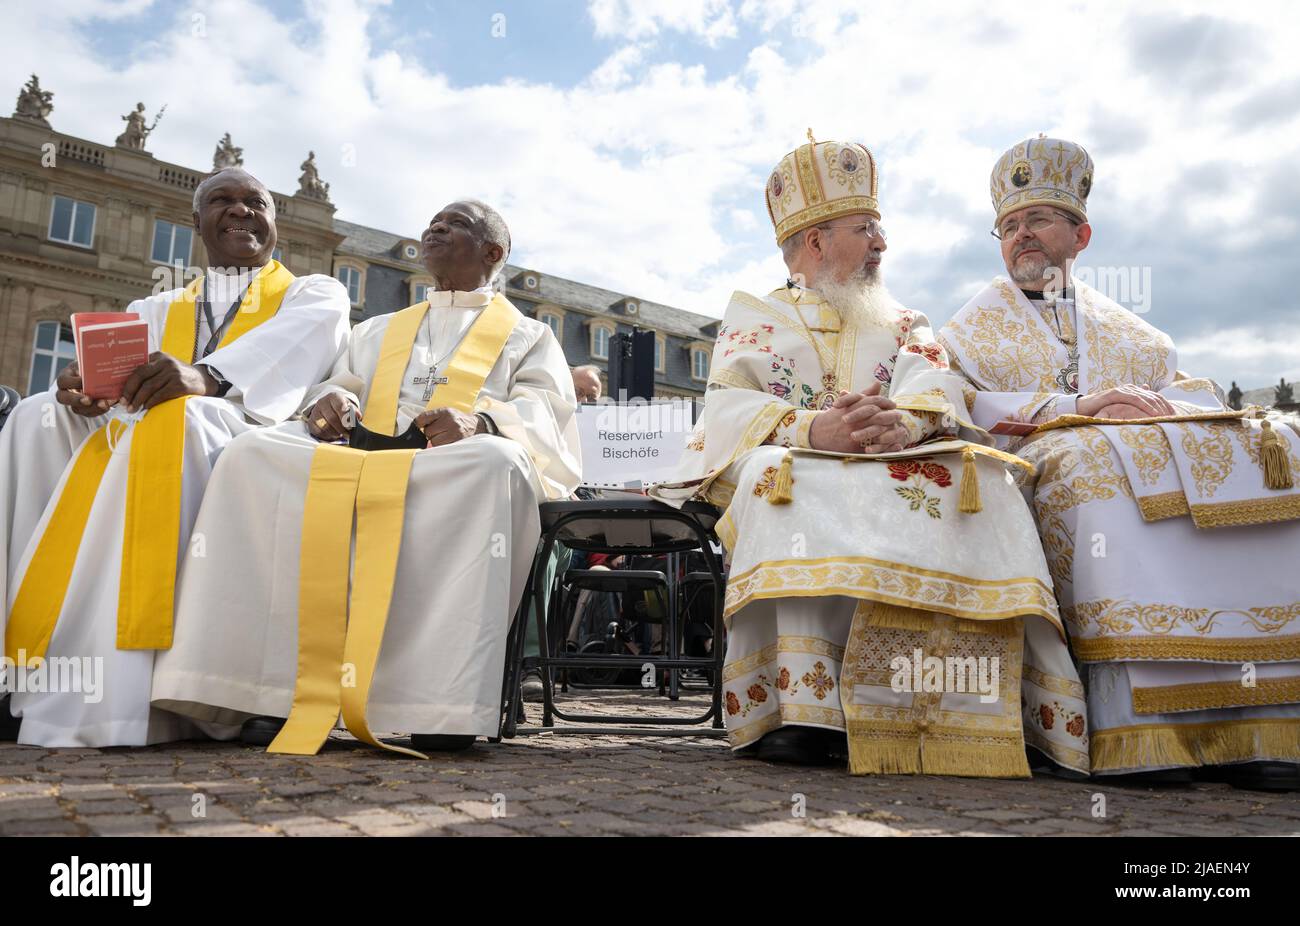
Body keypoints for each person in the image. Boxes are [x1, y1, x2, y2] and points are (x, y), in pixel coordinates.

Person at [652, 133, 1089, 776]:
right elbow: (723, 413)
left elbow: (936, 380)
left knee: (986, 483)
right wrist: (810, 430)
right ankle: (803, 710)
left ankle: (978, 708)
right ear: (816, 242)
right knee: (784, 480)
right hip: (797, 458)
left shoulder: (904, 318)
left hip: (892, 457)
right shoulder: (751, 317)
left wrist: (906, 424)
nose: (882, 243)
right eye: (866, 228)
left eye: (880, 229)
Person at [152, 199, 581, 754]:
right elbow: (340, 383)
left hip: (454, 461)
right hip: (360, 450)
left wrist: (479, 420)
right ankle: (261, 692)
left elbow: (547, 410)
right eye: (432, 222)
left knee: (495, 464)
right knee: (253, 452)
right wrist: (329, 400)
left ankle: (440, 703)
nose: (435, 228)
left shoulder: (530, 337)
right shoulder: (379, 327)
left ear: (494, 253)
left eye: (455, 224)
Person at [939, 136, 1300, 790]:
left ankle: (1263, 723)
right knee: (1091, 461)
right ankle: (1140, 728)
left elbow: (1194, 391)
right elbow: (956, 404)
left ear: (1081, 236)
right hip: (1035, 463)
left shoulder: (1136, 335)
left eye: (1038, 220)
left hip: (1145, 444)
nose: (1021, 236)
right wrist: (1080, 404)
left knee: (1277, 449)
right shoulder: (965, 332)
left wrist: (1149, 404)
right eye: (1009, 226)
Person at [0, 167, 350, 746]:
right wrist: (82, 387)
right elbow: (112, 375)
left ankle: (131, 685)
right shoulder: (155, 305)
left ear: (275, 224)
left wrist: (206, 375)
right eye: (222, 201)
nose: (240, 210)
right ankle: (21, 666)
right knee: (35, 416)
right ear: (196, 223)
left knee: (179, 417)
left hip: (259, 432)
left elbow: (290, 367)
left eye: (254, 202)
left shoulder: (314, 292)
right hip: (157, 423)